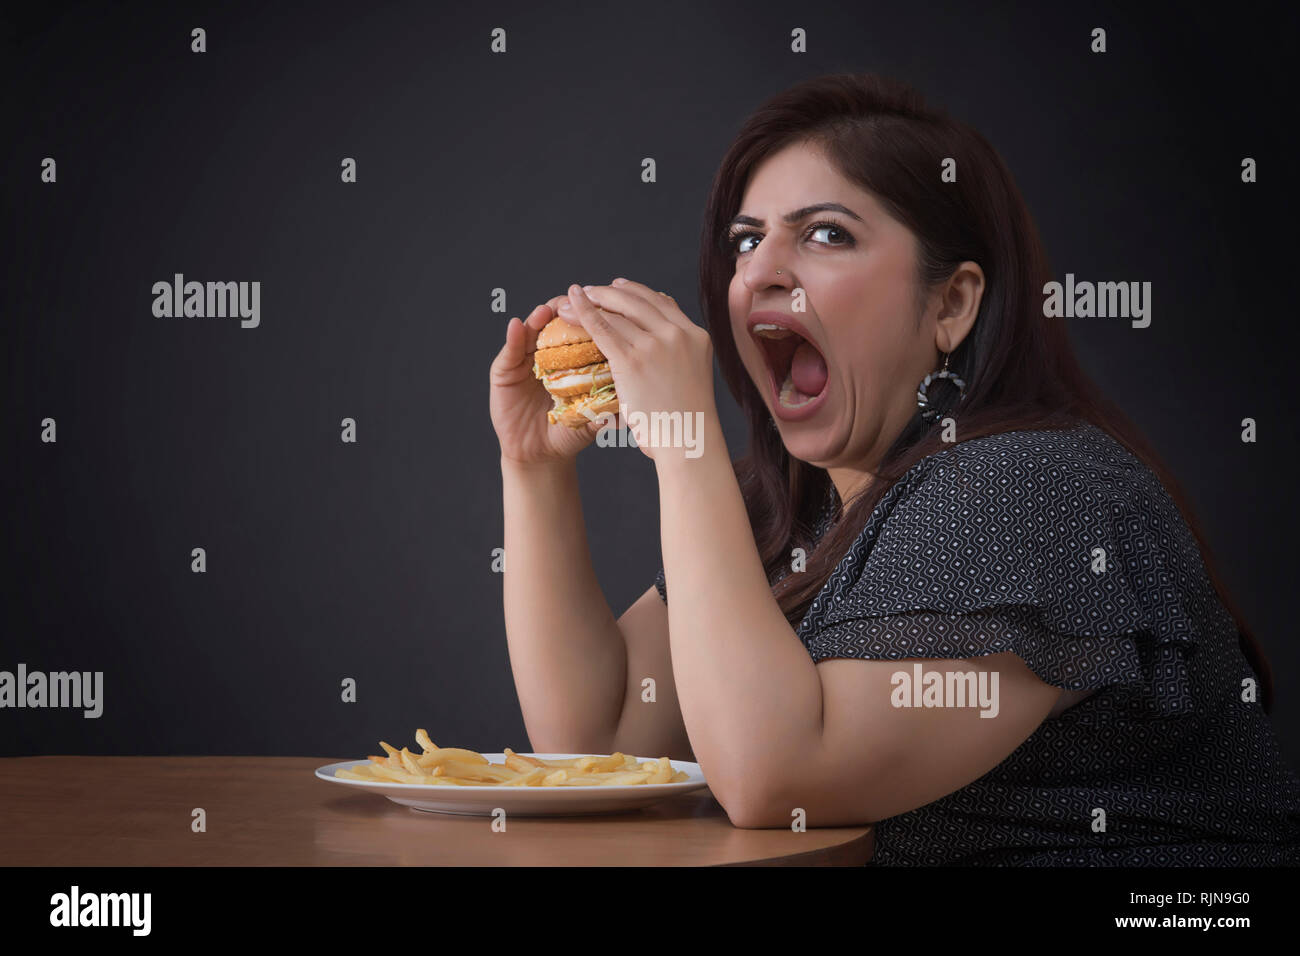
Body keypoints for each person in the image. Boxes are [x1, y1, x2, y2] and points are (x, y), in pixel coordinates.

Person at [488, 72, 1300, 865]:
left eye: (826, 234)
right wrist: (532, 471)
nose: (760, 271)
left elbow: (778, 780)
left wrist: (684, 440)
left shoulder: (1034, 484)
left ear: (951, 305)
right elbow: (597, 741)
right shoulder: (789, 511)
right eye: (747, 239)